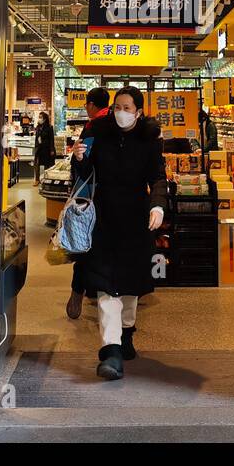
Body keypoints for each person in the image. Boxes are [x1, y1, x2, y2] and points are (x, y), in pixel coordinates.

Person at [69, 86, 167, 380]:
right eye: (117, 107)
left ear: (138, 111)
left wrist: (158, 206)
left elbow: (158, 177)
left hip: (136, 219)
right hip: (102, 218)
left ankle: (126, 333)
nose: (121, 112)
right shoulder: (98, 130)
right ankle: (110, 350)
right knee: (105, 283)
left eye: (127, 107)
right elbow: (82, 171)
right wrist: (78, 156)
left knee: (129, 285)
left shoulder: (149, 139)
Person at [65, 87, 111, 320]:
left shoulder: (93, 127)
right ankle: (103, 294)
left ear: (92, 105)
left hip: (90, 197)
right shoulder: (116, 126)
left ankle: (77, 293)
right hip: (113, 197)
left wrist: (77, 159)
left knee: (85, 246)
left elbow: (84, 164)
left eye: (86, 104)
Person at [33, 111, 56, 184]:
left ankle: (46, 179)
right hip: (39, 148)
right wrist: (35, 147)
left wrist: (52, 149)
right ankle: (37, 180)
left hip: (46, 148)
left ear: (45, 119)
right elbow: (36, 138)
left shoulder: (49, 127)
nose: (39, 119)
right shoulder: (38, 127)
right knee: (37, 164)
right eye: (39, 117)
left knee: (47, 164)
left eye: (41, 117)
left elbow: (52, 139)